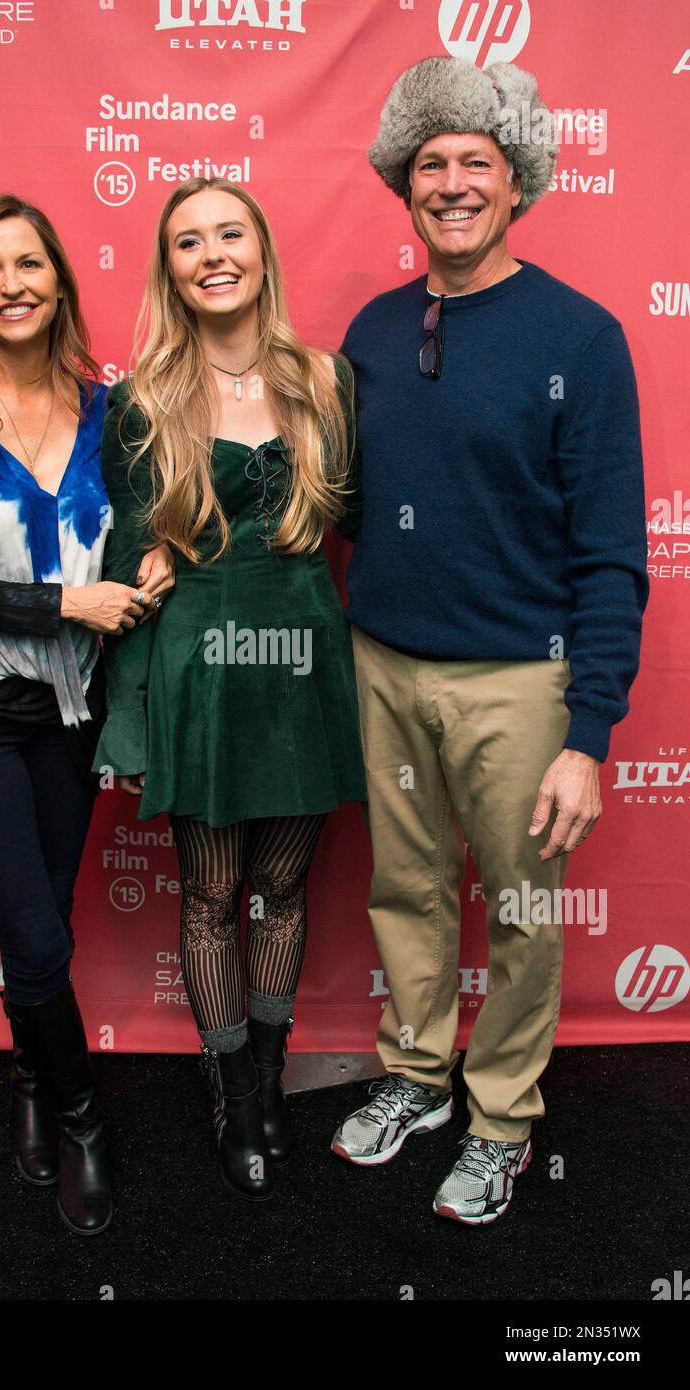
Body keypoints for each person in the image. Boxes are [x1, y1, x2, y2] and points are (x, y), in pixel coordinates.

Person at [330, 57, 649, 1224]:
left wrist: (588, 733)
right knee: (407, 890)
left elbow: (614, 549)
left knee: (520, 910)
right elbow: (347, 503)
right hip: (385, 665)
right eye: (431, 165)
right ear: (403, 187)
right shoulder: (371, 328)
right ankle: (415, 1073)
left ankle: (503, 1116)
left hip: (523, 676)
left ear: (517, 183)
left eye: (476, 163)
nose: (452, 184)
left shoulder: (583, 333)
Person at [0, 192, 174, 1236]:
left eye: (29, 264)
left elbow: (146, 520)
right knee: (31, 928)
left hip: (71, 710)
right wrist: (67, 602)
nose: (10, 284)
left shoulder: (110, 408)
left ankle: (27, 1080)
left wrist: (151, 554)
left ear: (60, 280)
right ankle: (84, 1117)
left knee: (40, 923)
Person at [91, 176, 366, 1200]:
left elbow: (374, 524)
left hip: (299, 666)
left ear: (262, 251)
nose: (212, 254)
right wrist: (128, 720)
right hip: (199, 671)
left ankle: (269, 1073)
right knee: (212, 892)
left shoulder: (326, 381)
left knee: (282, 888)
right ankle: (233, 1099)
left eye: (230, 234)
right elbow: (127, 573)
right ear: (169, 267)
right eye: (188, 241)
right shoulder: (140, 402)